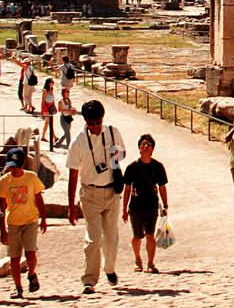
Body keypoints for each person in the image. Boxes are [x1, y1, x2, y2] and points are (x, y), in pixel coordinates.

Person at [66, 100, 125, 294]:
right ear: (85, 122)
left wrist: (114, 157)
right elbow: (73, 173)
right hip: (89, 193)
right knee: (93, 238)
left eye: (98, 122)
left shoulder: (112, 132)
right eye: (91, 124)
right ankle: (89, 279)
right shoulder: (79, 141)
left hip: (111, 191)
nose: (95, 127)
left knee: (111, 237)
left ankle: (109, 269)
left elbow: (122, 152)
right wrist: (70, 205)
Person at [0, 147, 47, 299]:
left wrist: (43, 218)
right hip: (13, 223)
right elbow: (1, 207)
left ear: (23, 163)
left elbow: (39, 198)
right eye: (11, 166)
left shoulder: (31, 177)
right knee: (14, 256)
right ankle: (17, 286)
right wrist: (2, 230)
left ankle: (31, 274)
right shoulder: (4, 181)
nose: (14, 170)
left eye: (16, 166)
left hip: (30, 220)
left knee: (30, 252)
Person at [121, 134, 168, 274]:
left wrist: (165, 205)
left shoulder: (158, 167)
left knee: (150, 234)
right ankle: (137, 260)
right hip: (135, 206)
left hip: (151, 205)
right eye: (143, 144)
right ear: (139, 148)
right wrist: (124, 209)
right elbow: (127, 189)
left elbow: (162, 187)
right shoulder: (132, 168)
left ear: (152, 149)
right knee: (137, 235)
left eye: (148, 144)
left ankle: (150, 263)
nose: (145, 146)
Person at [38, 78, 57, 146]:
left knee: (48, 123)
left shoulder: (51, 90)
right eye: (52, 82)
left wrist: (54, 106)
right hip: (46, 107)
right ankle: (53, 136)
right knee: (48, 122)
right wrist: (41, 110)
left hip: (50, 107)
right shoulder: (45, 91)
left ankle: (44, 136)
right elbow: (43, 101)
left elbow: (52, 99)